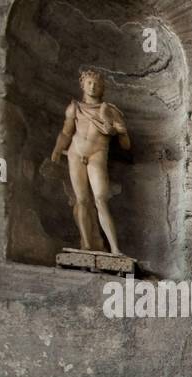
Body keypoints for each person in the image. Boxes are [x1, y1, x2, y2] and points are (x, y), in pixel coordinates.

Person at [50, 69, 131, 256]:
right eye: (89, 83)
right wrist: (56, 150)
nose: (92, 87)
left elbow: (126, 145)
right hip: (75, 153)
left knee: (101, 199)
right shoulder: (74, 108)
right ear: (82, 85)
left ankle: (115, 249)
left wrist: (122, 131)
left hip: (97, 155)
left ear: (102, 87)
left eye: (96, 84)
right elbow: (66, 132)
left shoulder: (110, 111)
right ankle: (86, 245)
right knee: (82, 200)